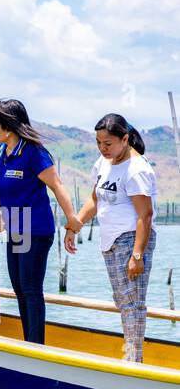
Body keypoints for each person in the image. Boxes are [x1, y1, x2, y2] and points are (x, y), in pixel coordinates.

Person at [0, 99, 83, 343]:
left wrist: (72, 221)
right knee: (18, 287)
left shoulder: (32, 152)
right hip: (15, 229)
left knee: (30, 288)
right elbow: (0, 186)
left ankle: (36, 346)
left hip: (35, 229)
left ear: (8, 126)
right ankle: (29, 341)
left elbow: (57, 186)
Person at [67, 114, 157, 363]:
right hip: (110, 240)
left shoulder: (136, 169)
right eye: (98, 143)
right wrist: (75, 226)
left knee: (132, 303)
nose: (102, 148)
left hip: (132, 238)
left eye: (108, 144)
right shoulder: (103, 163)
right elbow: (94, 199)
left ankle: (133, 360)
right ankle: (130, 350)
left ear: (125, 139)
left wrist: (137, 255)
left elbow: (145, 215)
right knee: (122, 300)